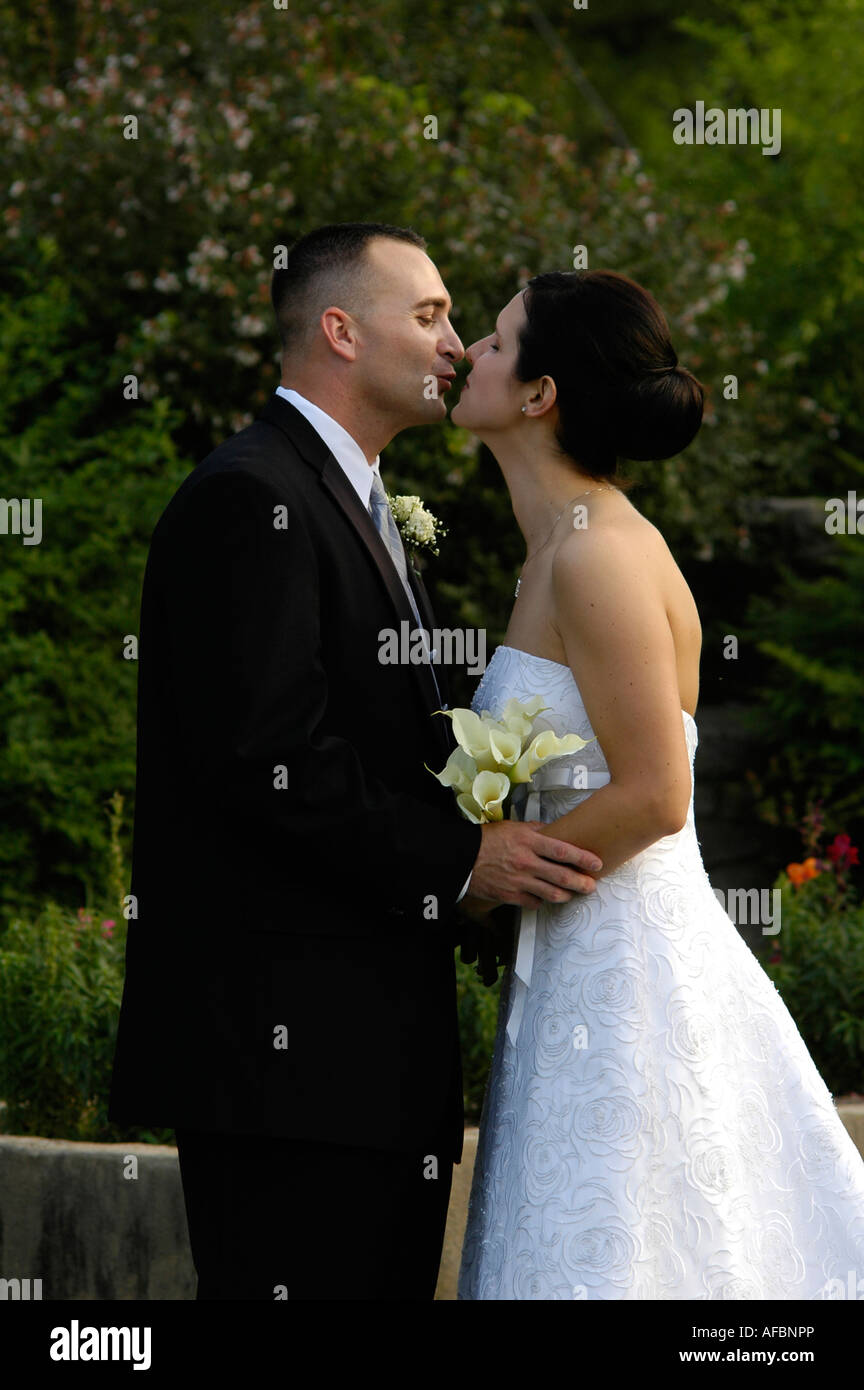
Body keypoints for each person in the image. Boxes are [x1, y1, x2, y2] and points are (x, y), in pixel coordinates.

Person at [107, 223, 602, 1301]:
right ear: (339, 328)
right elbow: (267, 755)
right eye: (427, 315)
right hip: (286, 1065)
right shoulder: (251, 498)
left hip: (362, 1063)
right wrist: (464, 859)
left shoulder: (361, 503)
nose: (455, 344)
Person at [452, 268, 864, 1300]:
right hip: (576, 950)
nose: (469, 352)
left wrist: (484, 871)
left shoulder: (599, 555)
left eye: (497, 342)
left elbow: (655, 794)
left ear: (541, 393)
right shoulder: (557, 546)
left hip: (624, 964)